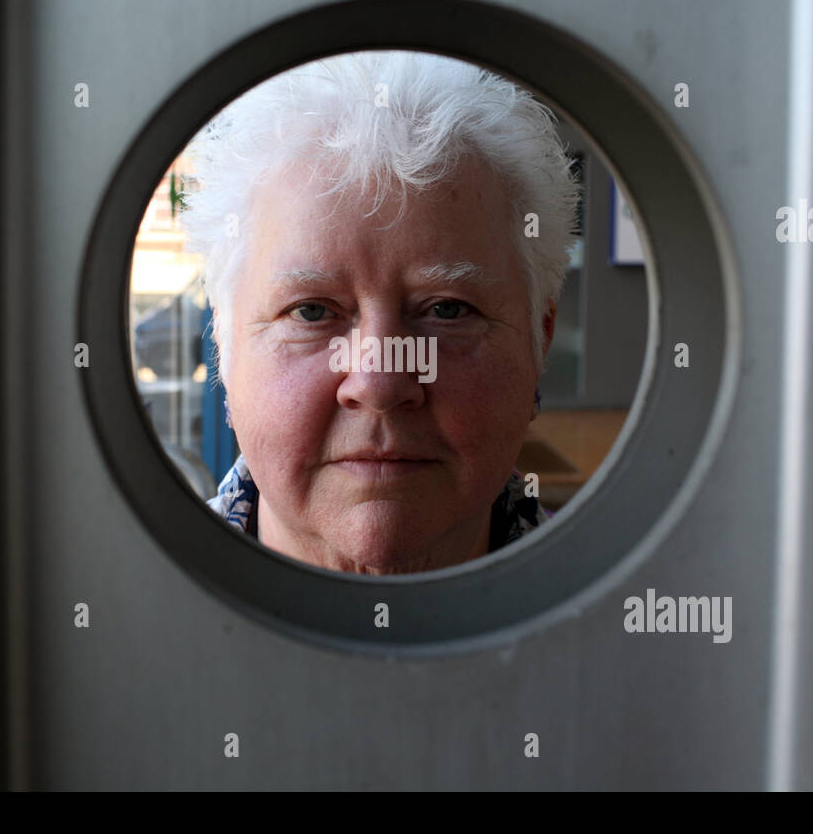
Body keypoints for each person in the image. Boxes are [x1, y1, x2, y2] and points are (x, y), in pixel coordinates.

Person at [181, 50, 580, 575]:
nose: (379, 383)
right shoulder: (108, 640)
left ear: (539, 338)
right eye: (310, 312)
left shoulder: (646, 641)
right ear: (225, 344)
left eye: (446, 310)